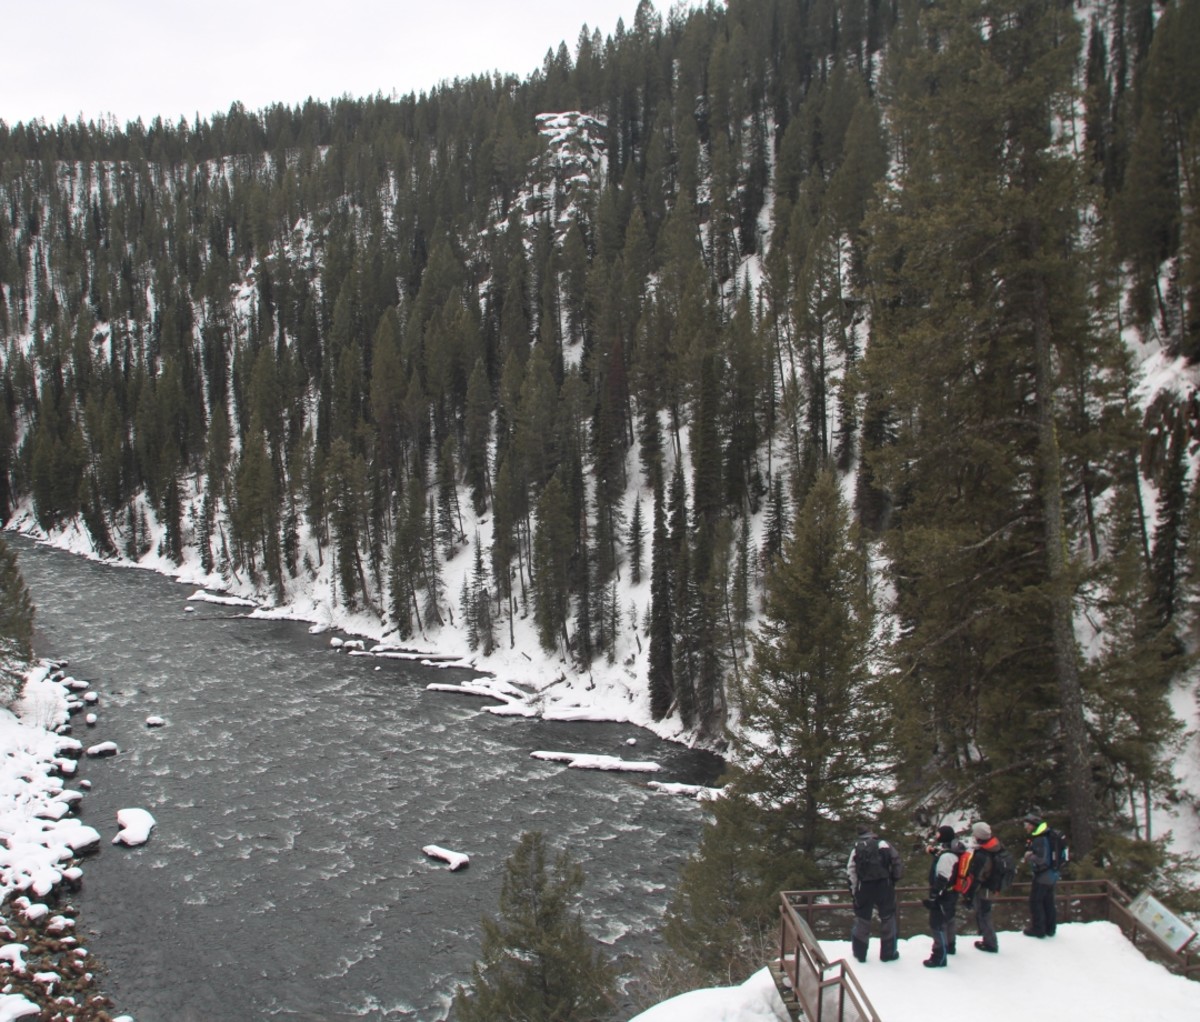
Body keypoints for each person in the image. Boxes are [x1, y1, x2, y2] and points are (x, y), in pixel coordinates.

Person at [847, 823, 904, 963]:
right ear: (872, 832)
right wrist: (894, 879)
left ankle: (860, 953)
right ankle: (888, 953)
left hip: (864, 887)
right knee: (888, 917)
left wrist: (854, 890)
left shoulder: (857, 848)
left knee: (863, 919)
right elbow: (897, 861)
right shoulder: (883, 844)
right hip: (884, 885)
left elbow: (851, 871)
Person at [921, 825, 961, 967]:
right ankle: (950, 946)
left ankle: (939, 957)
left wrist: (933, 895)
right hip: (951, 893)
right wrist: (933, 851)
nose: (937, 836)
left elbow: (943, 877)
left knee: (936, 924)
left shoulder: (947, 856)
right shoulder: (952, 850)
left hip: (943, 894)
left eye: (938, 834)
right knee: (949, 919)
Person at [963, 821, 1003, 953]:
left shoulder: (983, 854)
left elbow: (977, 877)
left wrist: (968, 894)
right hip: (992, 886)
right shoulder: (996, 846)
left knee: (984, 913)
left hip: (985, 888)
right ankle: (987, 937)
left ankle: (990, 943)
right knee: (984, 912)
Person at [1022, 812, 1059, 938]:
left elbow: (1041, 859)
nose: (1026, 827)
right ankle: (1050, 928)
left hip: (1043, 875)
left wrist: (1029, 856)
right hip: (1052, 873)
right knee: (1048, 901)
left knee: (1036, 901)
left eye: (1027, 824)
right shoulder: (1049, 834)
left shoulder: (1039, 839)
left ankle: (1038, 929)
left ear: (1033, 825)